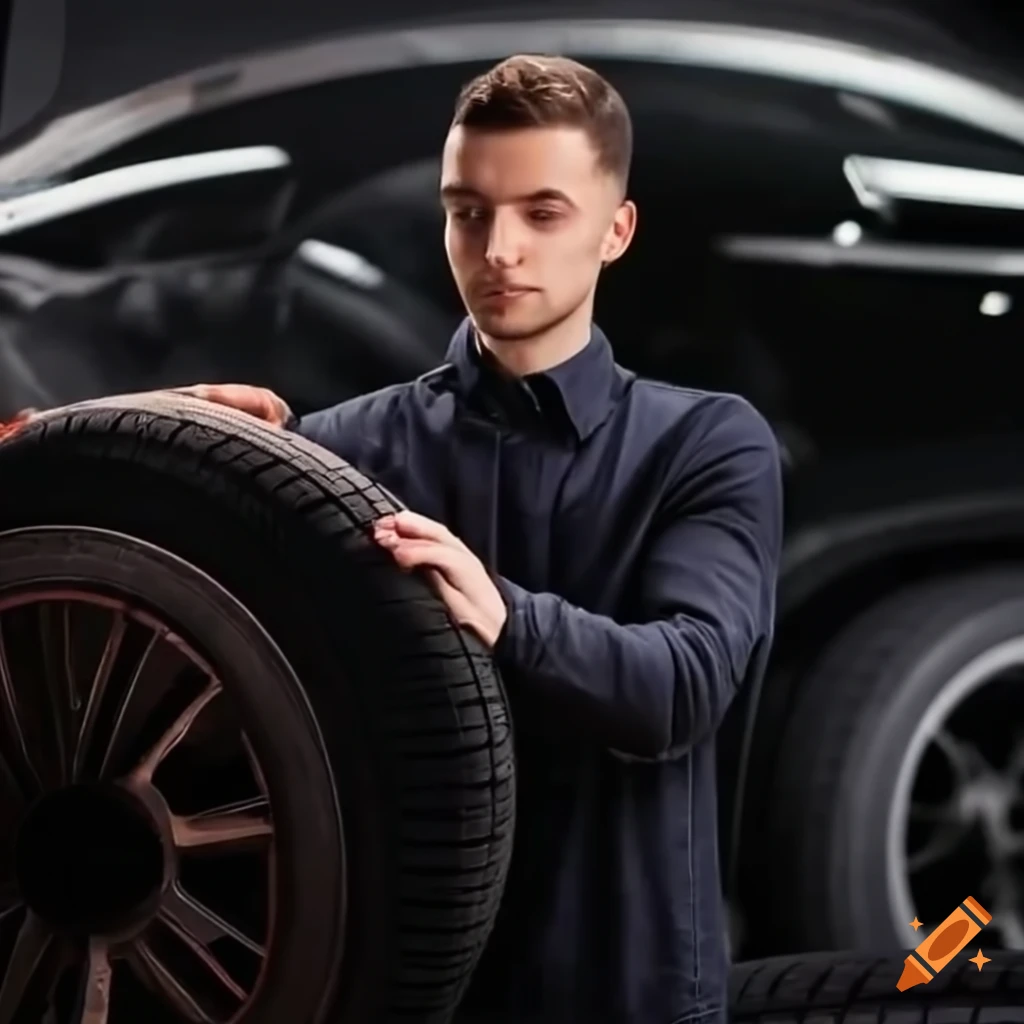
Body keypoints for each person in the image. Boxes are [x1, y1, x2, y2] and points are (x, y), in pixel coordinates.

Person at [175, 55, 783, 1024]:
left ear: (613, 229)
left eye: (542, 212)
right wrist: (181, 449)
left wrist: (507, 618)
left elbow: (682, 687)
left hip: (623, 992)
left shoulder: (705, 441)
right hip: (403, 993)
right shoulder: (346, 447)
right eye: (469, 210)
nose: (498, 248)